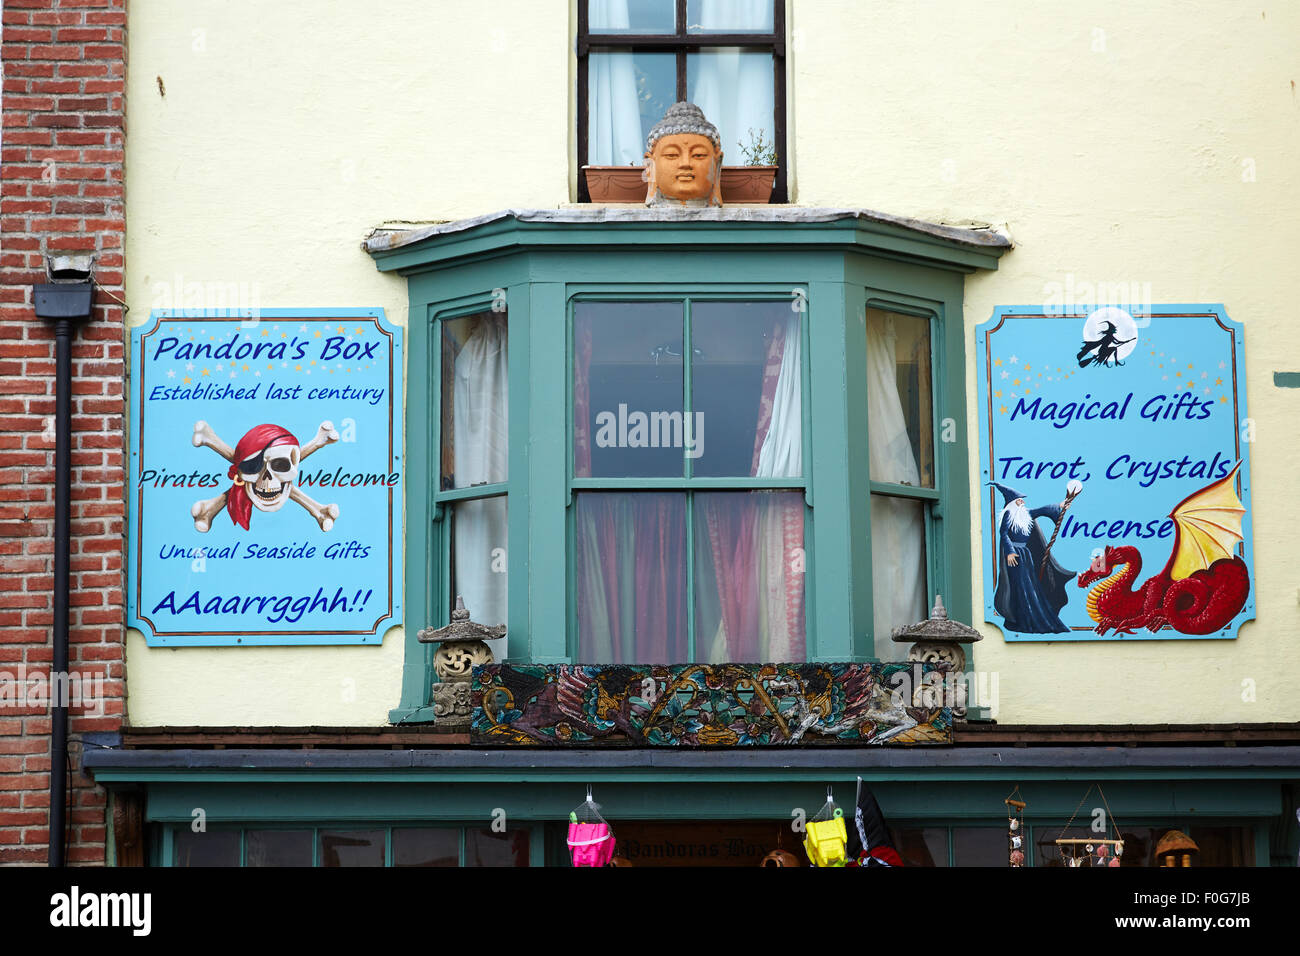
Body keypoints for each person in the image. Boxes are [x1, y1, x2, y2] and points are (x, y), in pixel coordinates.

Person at [990, 481, 1074, 634]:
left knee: (1030, 585)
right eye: (1019, 500)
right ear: (1012, 502)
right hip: (1014, 555)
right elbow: (1004, 534)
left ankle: (1034, 616)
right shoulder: (1009, 514)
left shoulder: (1024, 514)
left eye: (1022, 499)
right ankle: (1022, 618)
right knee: (1020, 586)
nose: (1022, 502)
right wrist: (1009, 552)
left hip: (1025, 555)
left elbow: (1042, 510)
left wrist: (1060, 506)